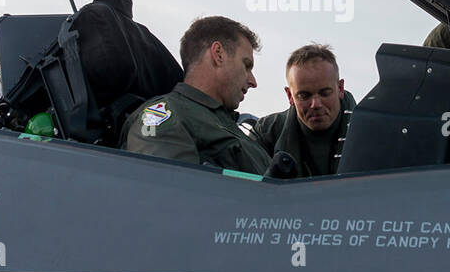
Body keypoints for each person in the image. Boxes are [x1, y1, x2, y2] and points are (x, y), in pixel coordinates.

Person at [122, 15, 273, 174]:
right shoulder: (162, 115)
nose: (253, 81)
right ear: (218, 54)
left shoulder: (228, 125)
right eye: (246, 65)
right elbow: (170, 189)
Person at [251, 44, 356, 178]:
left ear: (340, 88)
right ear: (290, 96)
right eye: (304, 96)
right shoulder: (267, 133)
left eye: (325, 93)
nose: (316, 104)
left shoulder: (371, 133)